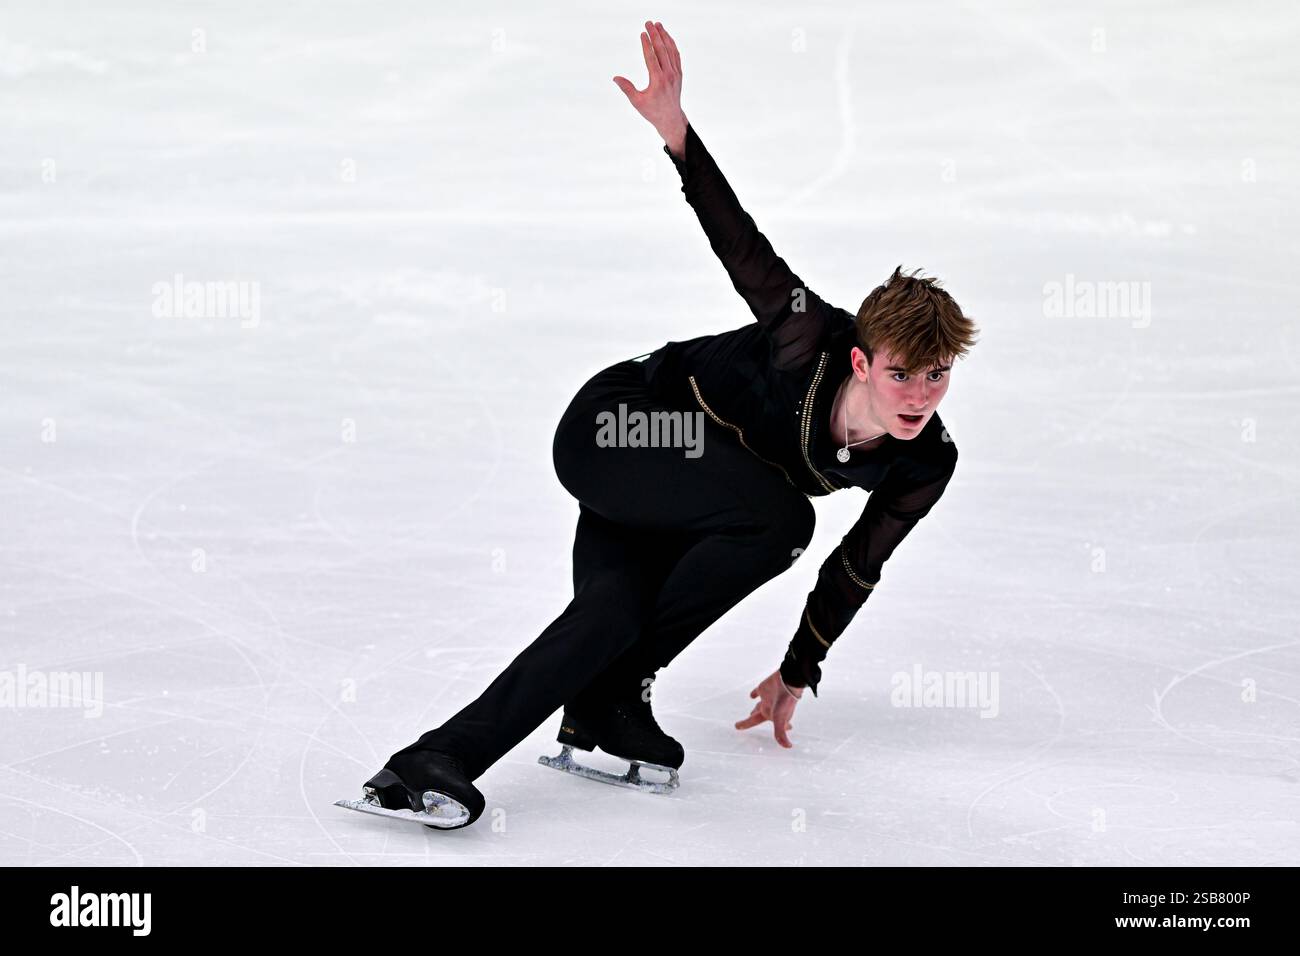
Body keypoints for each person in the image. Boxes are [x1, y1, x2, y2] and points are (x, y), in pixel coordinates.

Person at [341, 21, 979, 831]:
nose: (921, 396)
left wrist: (797, 669)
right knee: (783, 519)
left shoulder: (926, 460)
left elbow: (859, 566)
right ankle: (611, 687)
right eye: (902, 374)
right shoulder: (806, 337)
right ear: (860, 361)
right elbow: (741, 245)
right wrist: (677, 135)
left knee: (610, 617)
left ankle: (447, 756)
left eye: (937, 375)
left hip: (685, 490)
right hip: (618, 428)